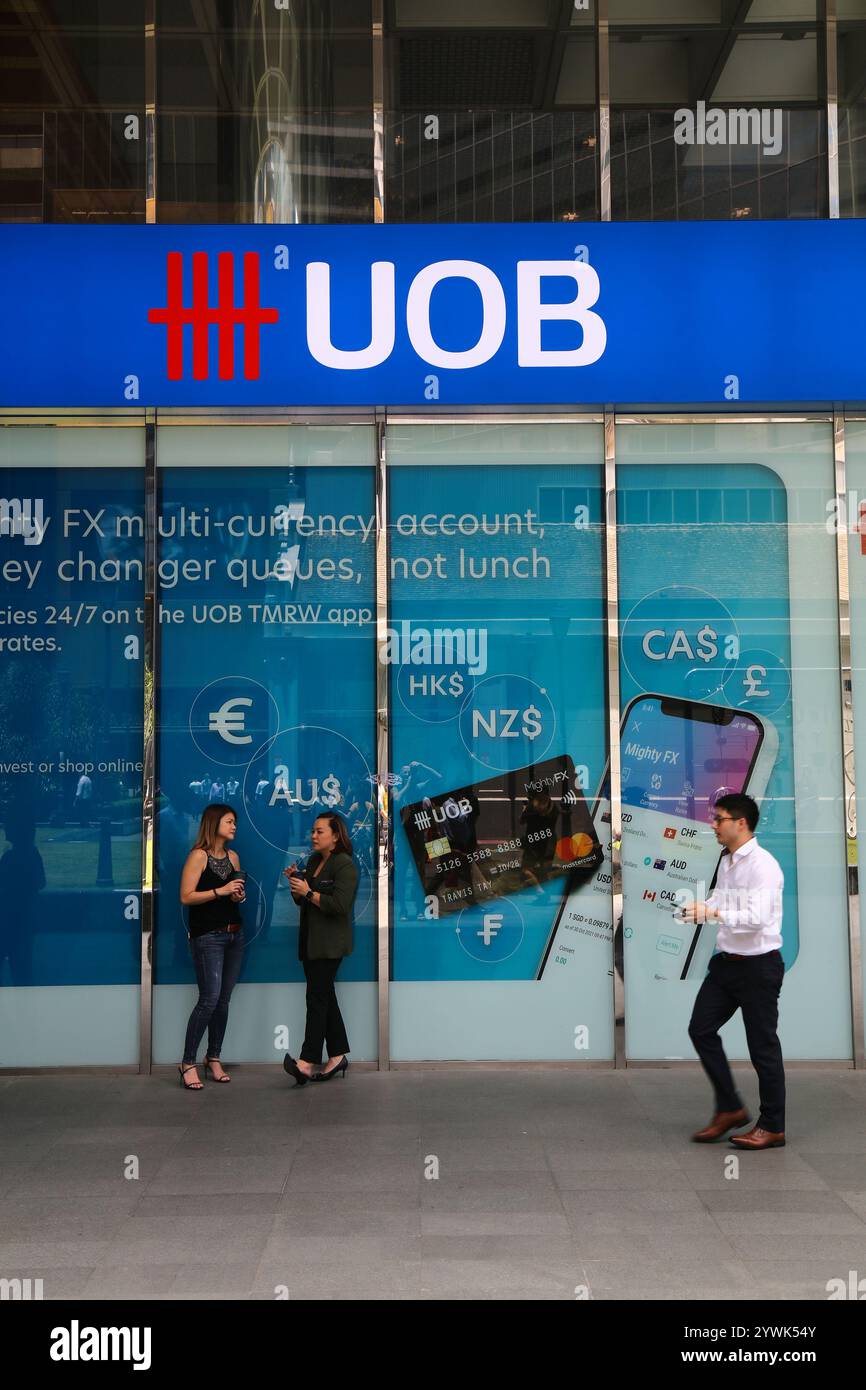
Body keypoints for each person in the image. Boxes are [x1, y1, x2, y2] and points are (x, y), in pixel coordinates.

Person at [684, 793, 786, 1149]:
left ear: (740, 823)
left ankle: (773, 1126)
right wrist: (702, 907)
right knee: (700, 1029)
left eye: (720, 818)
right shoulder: (727, 861)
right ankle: (729, 1108)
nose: (714, 824)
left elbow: (757, 919)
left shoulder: (763, 865)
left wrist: (713, 914)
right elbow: (723, 901)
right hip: (727, 965)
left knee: (763, 1048)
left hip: (759, 967)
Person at [281, 812, 358, 1086]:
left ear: (336, 836)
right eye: (313, 831)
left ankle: (306, 1061)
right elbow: (304, 902)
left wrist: (309, 892)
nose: (313, 836)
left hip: (329, 945)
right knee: (325, 997)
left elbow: (339, 906)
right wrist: (297, 885)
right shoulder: (314, 861)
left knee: (316, 999)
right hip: (310, 942)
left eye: (319, 831)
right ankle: (337, 1056)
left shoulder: (344, 865)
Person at [177, 803, 246, 1090]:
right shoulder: (198, 856)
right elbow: (186, 896)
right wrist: (220, 891)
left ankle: (213, 1057)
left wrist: (237, 895)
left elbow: (234, 893)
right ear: (214, 824)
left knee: (223, 1001)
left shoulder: (233, 857)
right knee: (209, 999)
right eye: (229, 822)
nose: (234, 826)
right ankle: (187, 1062)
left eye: (235, 822)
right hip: (208, 936)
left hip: (234, 935)